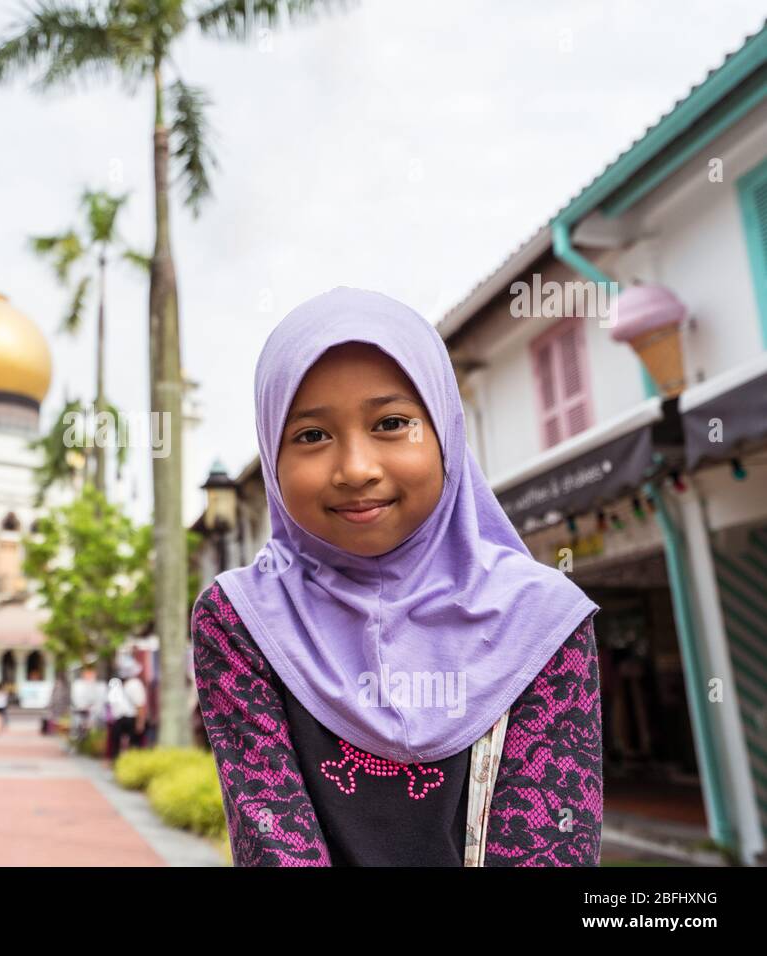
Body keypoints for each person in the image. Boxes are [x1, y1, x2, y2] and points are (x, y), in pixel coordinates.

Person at [192, 287, 602, 867]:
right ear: (270, 455)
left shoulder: (541, 620)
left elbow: (550, 847)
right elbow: (276, 846)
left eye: (391, 422)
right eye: (311, 435)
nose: (357, 469)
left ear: (445, 434)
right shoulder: (242, 620)